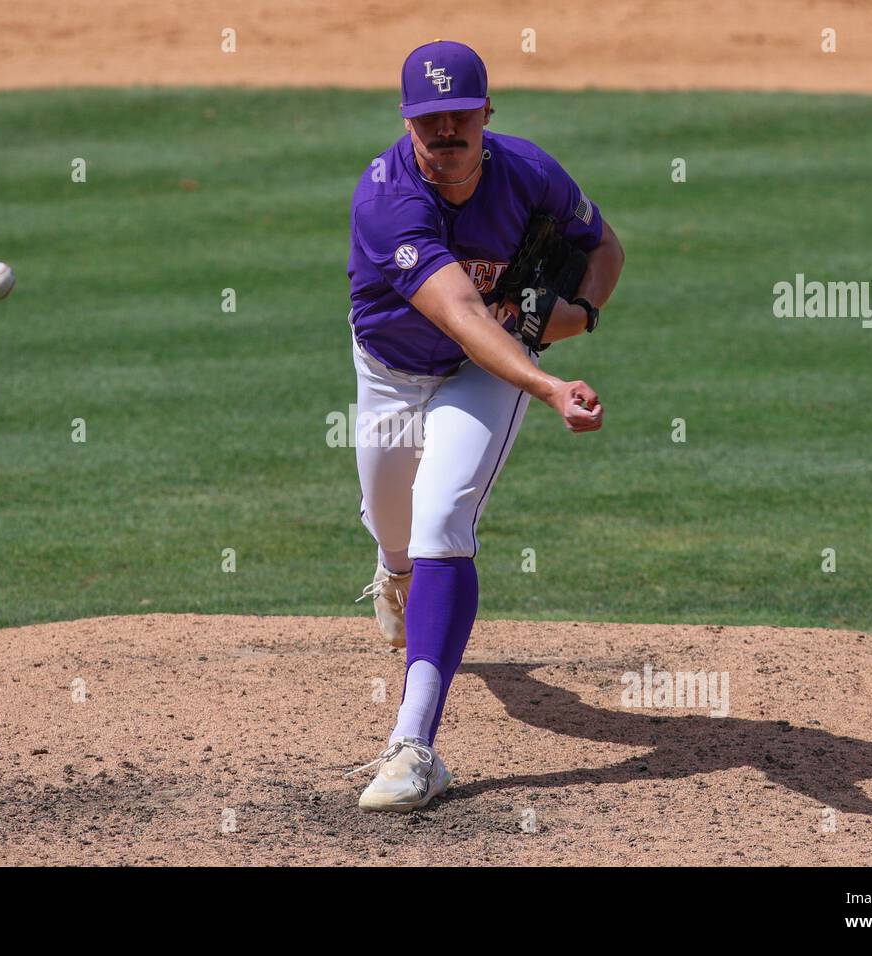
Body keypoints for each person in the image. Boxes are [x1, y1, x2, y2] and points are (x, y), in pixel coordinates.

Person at [344, 39, 625, 811]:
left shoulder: (530, 172)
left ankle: (413, 747)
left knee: (443, 517)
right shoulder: (386, 200)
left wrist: (579, 314)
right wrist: (548, 382)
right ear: (407, 125)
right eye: (428, 120)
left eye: (459, 116)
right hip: (393, 374)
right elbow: (463, 314)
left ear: (486, 114)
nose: (445, 133)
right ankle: (395, 572)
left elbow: (604, 246)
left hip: (486, 375)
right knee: (391, 522)